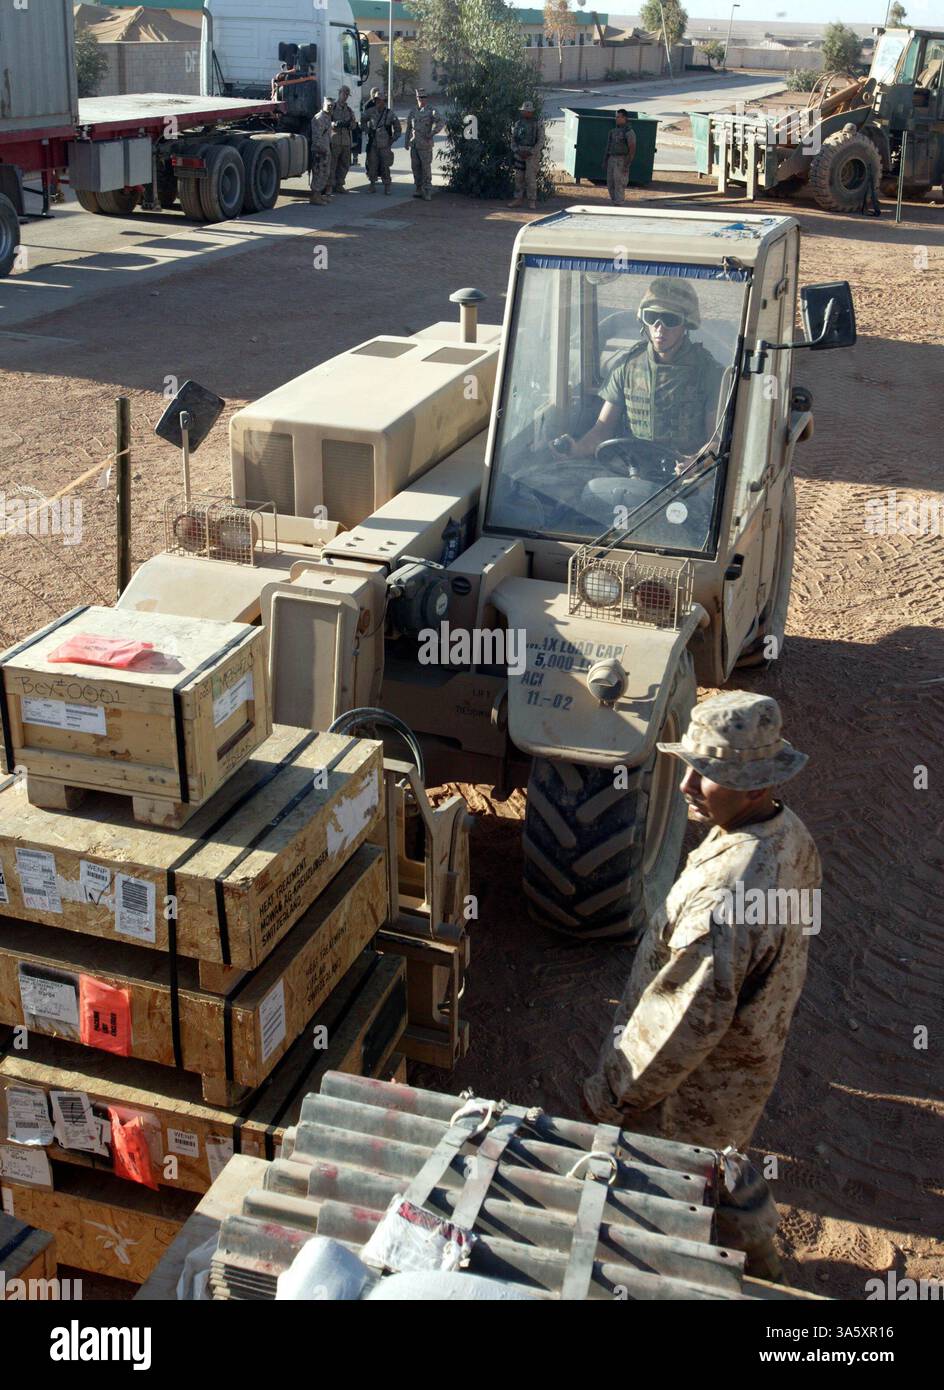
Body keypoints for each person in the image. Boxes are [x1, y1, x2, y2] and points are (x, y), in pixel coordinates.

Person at [583, 691, 822, 1153]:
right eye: (690, 766)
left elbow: (682, 1023)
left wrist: (610, 1099)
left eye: (708, 774)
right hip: (734, 1090)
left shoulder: (725, 898)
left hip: (676, 1114)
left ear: (755, 785)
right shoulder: (790, 834)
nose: (686, 784)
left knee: (659, 1209)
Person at [554, 278, 723, 464]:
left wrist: (694, 463)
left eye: (670, 319)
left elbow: (715, 441)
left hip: (687, 481)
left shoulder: (709, 373)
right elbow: (602, 431)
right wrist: (576, 449)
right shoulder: (628, 366)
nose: (659, 328)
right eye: (652, 318)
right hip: (633, 470)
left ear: (686, 324)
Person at [405, 88, 443, 201]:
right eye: (419, 97)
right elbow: (408, 128)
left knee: (426, 168)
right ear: (416, 98)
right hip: (414, 144)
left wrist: (432, 133)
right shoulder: (413, 111)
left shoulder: (431, 110)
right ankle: (418, 188)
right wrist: (406, 141)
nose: (422, 99)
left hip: (425, 145)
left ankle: (427, 190)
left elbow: (441, 122)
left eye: (423, 97)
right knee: (415, 167)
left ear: (426, 98)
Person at [508, 100, 544, 211]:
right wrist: (517, 151)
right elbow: (513, 140)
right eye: (524, 111)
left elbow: (541, 141)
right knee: (518, 177)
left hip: (532, 155)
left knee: (530, 178)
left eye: (528, 111)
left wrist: (531, 152)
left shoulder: (537, 124)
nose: (526, 113)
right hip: (519, 153)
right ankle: (518, 199)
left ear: (532, 112)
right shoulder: (518, 124)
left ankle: (532, 201)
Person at [365, 90, 402, 196]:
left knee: (385, 166)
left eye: (379, 100)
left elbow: (398, 128)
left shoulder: (390, 113)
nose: (377, 102)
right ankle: (372, 185)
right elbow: (362, 120)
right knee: (372, 165)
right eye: (376, 100)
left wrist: (393, 139)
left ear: (383, 101)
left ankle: (387, 186)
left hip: (385, 145)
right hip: (373, 144)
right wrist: (366, 130)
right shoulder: (370, 111)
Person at [603, 109, 636, 205]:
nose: (616, 119)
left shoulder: (629, 132)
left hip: (621, 160)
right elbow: (608, 146)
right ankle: (614, 202)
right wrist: (605, 160)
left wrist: (626, 165)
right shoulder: (613, 131)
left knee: (619, 183)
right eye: (616, 117)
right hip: (611, 159)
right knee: (610, 182)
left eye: (618, 117)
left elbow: (632, 149)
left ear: (624, 118)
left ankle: (619, 203)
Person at [330, 85, 356, 193]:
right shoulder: (332, 108)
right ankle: (330, 186)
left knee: (345, 164)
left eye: (347, 95)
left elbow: (354, 125)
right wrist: (334, 124)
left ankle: (339, 184)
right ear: (339, 93)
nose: (345, 96)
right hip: (335, 140)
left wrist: (350, 124)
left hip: (345, 141)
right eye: (343, 94)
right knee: (332, 164)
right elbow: (326, 122)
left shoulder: (349, 110)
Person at [309, 98, 334, 206]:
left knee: (324, 173)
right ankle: (315, 197)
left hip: (325, 149)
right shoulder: (319, 118)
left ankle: (318, 196)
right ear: (323, 105)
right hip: (320, 151)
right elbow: (316, 137)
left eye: (332, 106)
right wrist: (321, 149)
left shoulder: (327, 117)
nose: (330, 107)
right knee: (318, 173)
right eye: (328, 105)